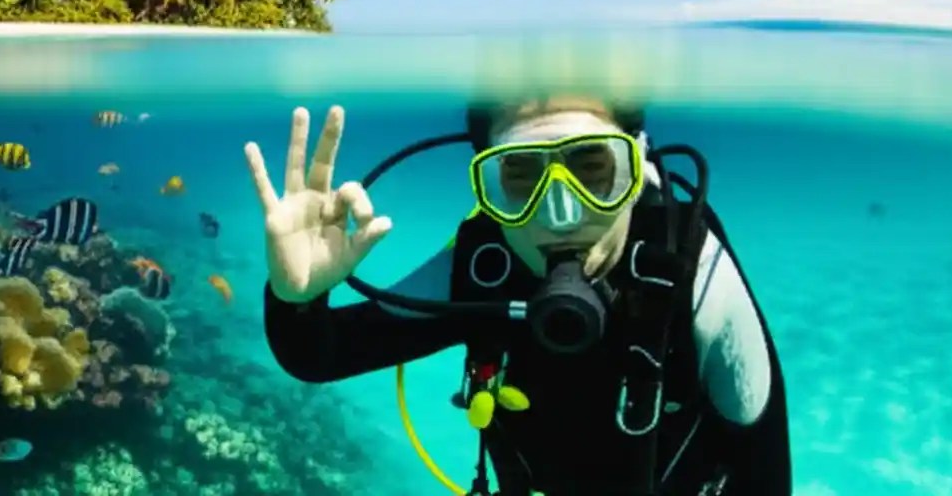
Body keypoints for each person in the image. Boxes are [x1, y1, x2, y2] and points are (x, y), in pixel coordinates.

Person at [244, 96, 791, 496]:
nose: (560, 214)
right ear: (487, 185)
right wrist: (299, 295)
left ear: (637, 164)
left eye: (593, 168)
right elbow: (318, 354)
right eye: (521, 174)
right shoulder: (485, 266)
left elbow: (765, 477)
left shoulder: (691, 272)